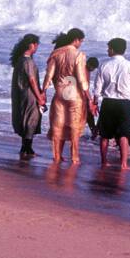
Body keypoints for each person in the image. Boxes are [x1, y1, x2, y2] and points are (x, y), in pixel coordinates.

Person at [92, 38, 130, 171]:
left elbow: (97, 87)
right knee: (124, 134)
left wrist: (95, 102)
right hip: (125, 104)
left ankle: (104, 162)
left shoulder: (104, 65)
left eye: (108, 48)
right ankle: (123, 164)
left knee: (105, 135)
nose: (107, 50)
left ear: (112, 49)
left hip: (108, 103)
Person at [42, 28, 90, 164]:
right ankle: (74, 157)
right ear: (76, 40)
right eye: (81, 41)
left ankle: (57, 156)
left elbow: (48, 76)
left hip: (59, 94)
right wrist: (89, 97)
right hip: (74, 94)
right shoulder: (79, 55)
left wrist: (43, 92)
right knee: (74, 126)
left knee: (58, 125)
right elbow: (81, 79)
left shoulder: (55, 54)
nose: (80, 44)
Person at [10, 34, 46, 159]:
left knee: (25, 119)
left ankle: (24, 147)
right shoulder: (28, 61)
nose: (37, 47)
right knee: (31, 120)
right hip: (30, 94)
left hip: (21, 94)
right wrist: (39, 97)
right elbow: (32, 80)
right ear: (32, 45)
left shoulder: (20, 60)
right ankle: (28, 148)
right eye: (36, 45)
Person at [84, 56, 101, 139]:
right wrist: (90, 100)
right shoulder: (83, 70)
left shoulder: (87, 70)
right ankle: (94, 132)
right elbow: (84, 87)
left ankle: (94, 131)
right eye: (93, 67)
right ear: (89, 64)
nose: (93, 70)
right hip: (80, 96)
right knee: (89, 114)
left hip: (83, 95)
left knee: (89, 114)